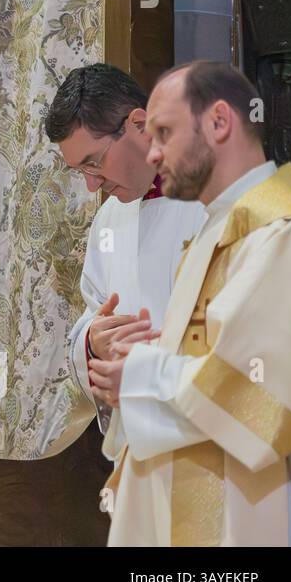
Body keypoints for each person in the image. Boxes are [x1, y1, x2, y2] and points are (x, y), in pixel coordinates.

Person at [91, 61, 291, 545]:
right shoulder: (220, 227)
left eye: (164, 133)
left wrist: (139, 376)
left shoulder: (280, 234)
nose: (153, 153)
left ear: (219, 121)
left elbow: (261, 391)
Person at [44, 64, 205, 437]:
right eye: (80, 170)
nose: (91, 185)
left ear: (138, 124)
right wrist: (94, 343)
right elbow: (95, 311)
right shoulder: (109, 221)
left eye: (95, 162)